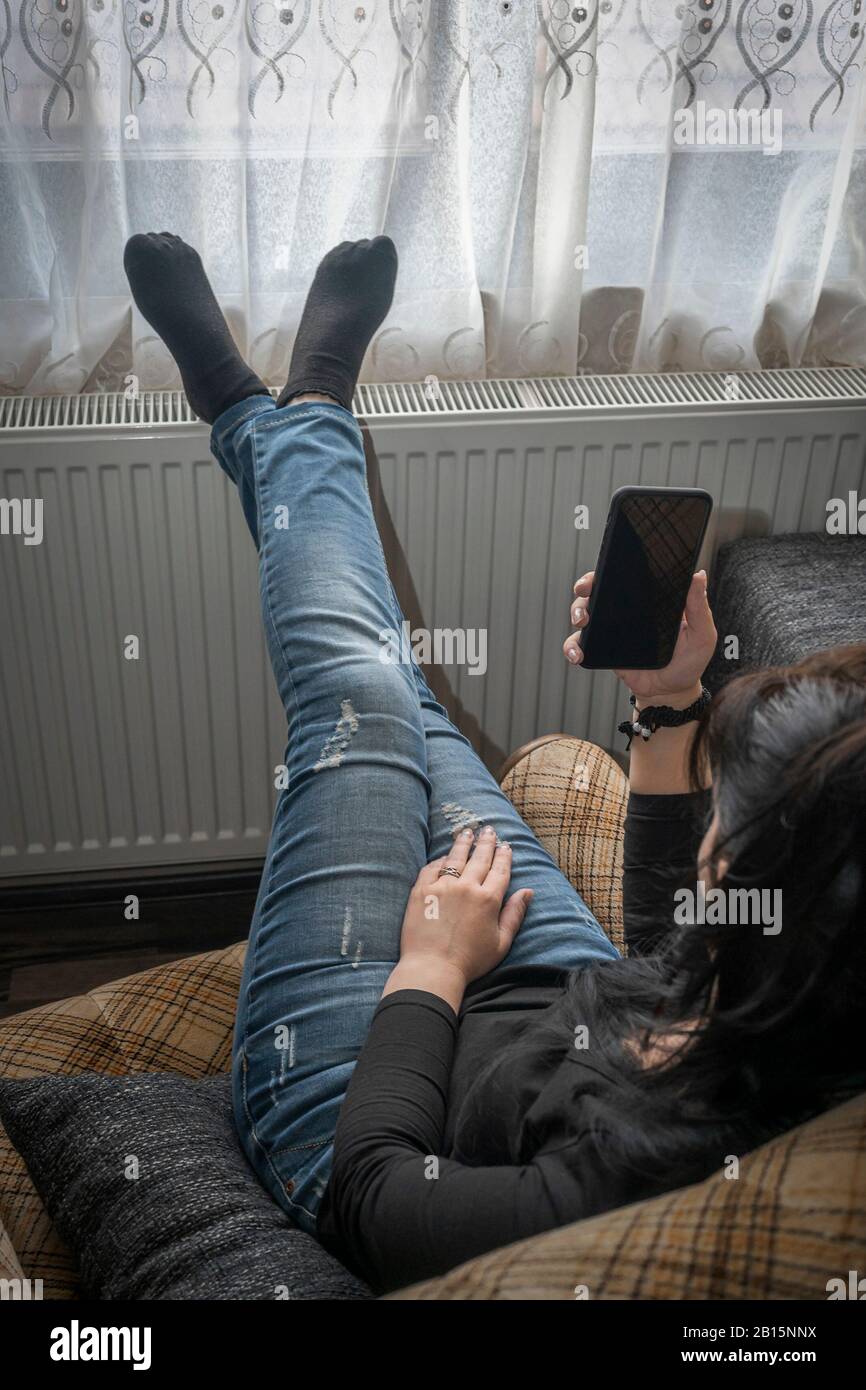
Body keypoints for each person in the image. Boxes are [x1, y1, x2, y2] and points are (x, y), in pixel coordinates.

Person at [124, 233, 866, 1297]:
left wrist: (431, 965)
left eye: (725, 822)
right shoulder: (789, 985)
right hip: (562, 987)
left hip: (363, 1101)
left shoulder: (639, 1170)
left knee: (358, 692)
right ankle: (281, 414)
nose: (705, 827)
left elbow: (377, 1200)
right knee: (394, 689)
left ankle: (275, 411)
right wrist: (667, 699)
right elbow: (672, 952)